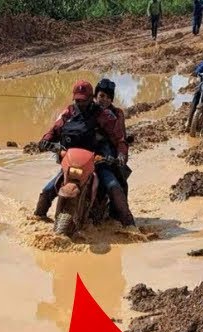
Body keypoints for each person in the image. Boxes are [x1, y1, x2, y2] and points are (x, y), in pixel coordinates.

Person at [34, 80, 134, 227]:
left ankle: (129, 225)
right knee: (48, 189)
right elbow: (55, 129)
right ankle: (38, 218)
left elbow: (119, 138)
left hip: (97, 162)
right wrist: (45, 140)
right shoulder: (68, 112)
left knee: (113, 186)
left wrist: (120, 156)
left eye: (84, 100)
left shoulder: (103, 115)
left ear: (90, 98)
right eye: (77, 100)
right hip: (73, 161)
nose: (80, 103)